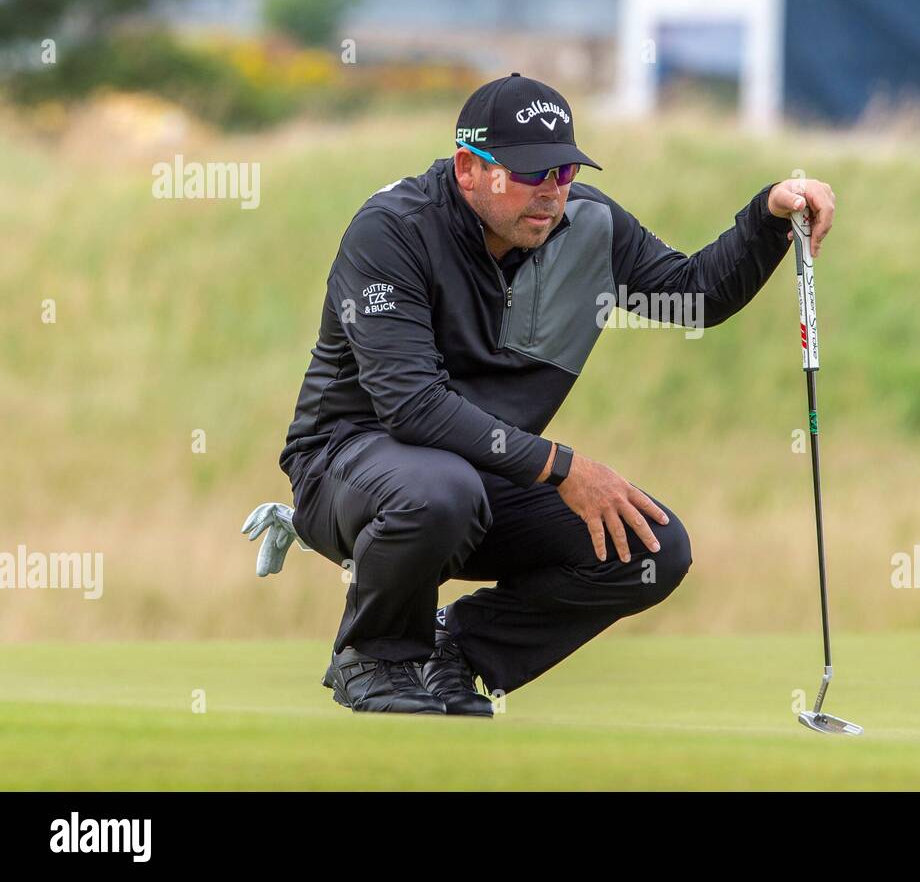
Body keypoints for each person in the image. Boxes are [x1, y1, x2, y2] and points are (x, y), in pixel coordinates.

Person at [273, 72, 835, 716]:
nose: (551, 194)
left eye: (564, 172)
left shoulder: (588, 226)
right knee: (437, 490)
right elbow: (412, 406)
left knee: (649, 548)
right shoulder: (392, 231)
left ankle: (454, 651)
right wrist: (562, 467)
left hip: (481, 476)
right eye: (530, 174)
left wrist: (767, 215)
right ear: (468, 168)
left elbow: (696, 295)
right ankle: (372, 658)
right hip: (347, 466)